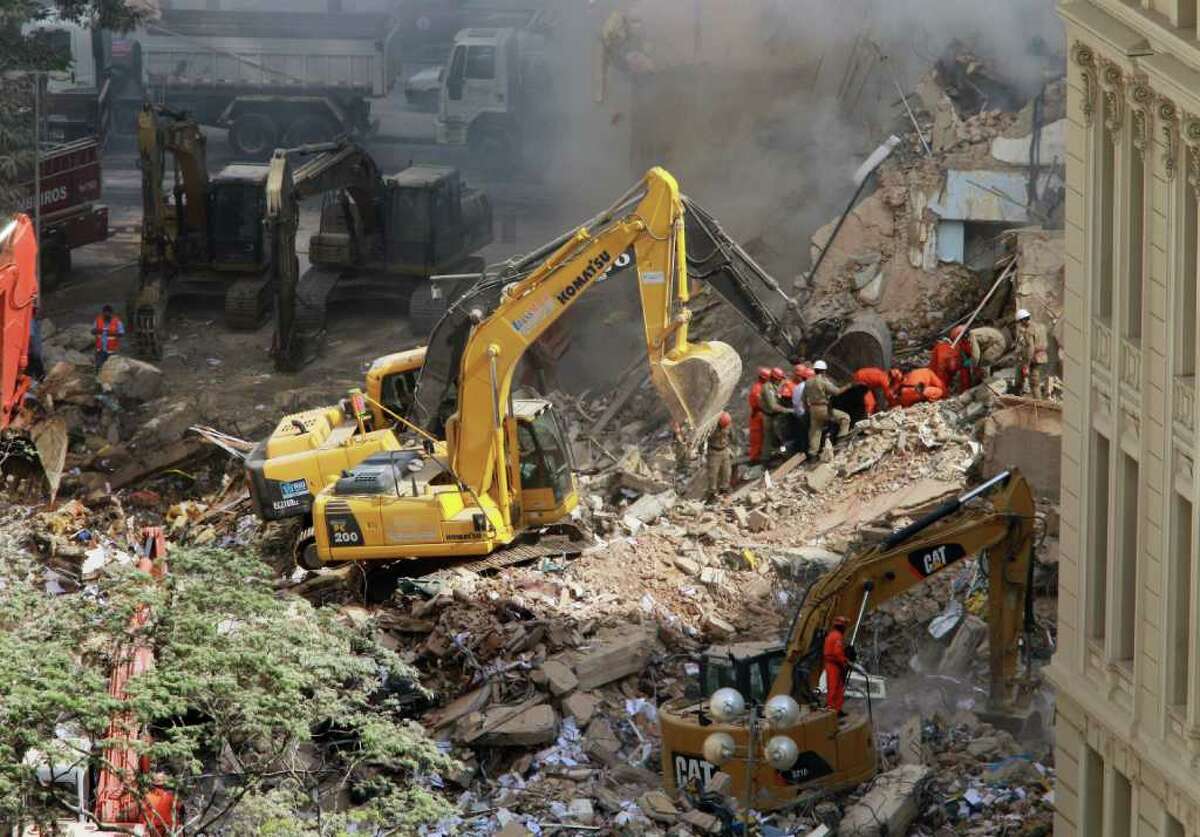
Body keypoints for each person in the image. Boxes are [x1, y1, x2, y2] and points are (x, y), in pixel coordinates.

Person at [802, 360, 853, 457]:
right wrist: (848, 386)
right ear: (824, 371)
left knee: (815, 431)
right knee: (845, 418)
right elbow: (837, 392)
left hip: (813, 409)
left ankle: (812, 454)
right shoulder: (823, 381)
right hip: (823, 408)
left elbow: (803, 398)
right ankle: (841, 442)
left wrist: (808, 409)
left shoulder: (808, 382)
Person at [823, 615, 855, 717]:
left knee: (837, 687)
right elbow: (837, 652)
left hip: (832, 664)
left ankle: (836, 709)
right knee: (835, 687)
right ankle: (833, 709)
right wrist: (845, 661)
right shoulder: (837, 636)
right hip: (834, 665)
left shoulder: (831, 635)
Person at [1015, 308, 1049, 398]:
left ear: (1023, 320)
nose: (1020, 324)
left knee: (1034, 384)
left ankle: (1038, 405)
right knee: (1036, 381)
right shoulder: (1041, 326)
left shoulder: (1029, 331)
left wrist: (1026, 365)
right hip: (1043, 356)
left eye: (1020, 322)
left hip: (1034, 359)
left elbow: (1030, 348)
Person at [760, 367, 790, 460]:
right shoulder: (767, 388)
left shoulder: (775, 385)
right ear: (774, 378)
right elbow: (773, 406)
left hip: (775, 416)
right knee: (769, 439)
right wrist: (788, 410)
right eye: (779, 379)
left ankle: (781, 453)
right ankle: (765, 460)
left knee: (779, 438)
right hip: (769, 417)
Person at [705, 411, 734, 500]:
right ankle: (712, 496)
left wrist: (730, 448)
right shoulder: (711, 427)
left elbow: (732, 436)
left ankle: (725, 491)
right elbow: (704, 439)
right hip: (713, 451)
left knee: (727, 472)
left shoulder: (728, 425)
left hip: (724, 450)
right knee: (713, 475)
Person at [92, 304, 125, 371]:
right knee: (98, 367)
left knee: (112, 369)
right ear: (103, 313)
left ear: (111, 313)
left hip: (112, 351)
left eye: (108, 313)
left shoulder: (117, 322)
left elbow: (121, 334)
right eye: (105, 313)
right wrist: (96, 331)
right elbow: (92, 331)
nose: (106, 314)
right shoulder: (98, 320)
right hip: (100, 350)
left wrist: (112, 333)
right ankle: (98, 379)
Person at [747, 367, 770, 462]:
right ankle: (755, 458)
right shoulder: (757, 389)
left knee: (764, 437)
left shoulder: (762, 387)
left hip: (761, 414)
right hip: (757, 416)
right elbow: (761, 404)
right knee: (757, 438)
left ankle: (761, 455)